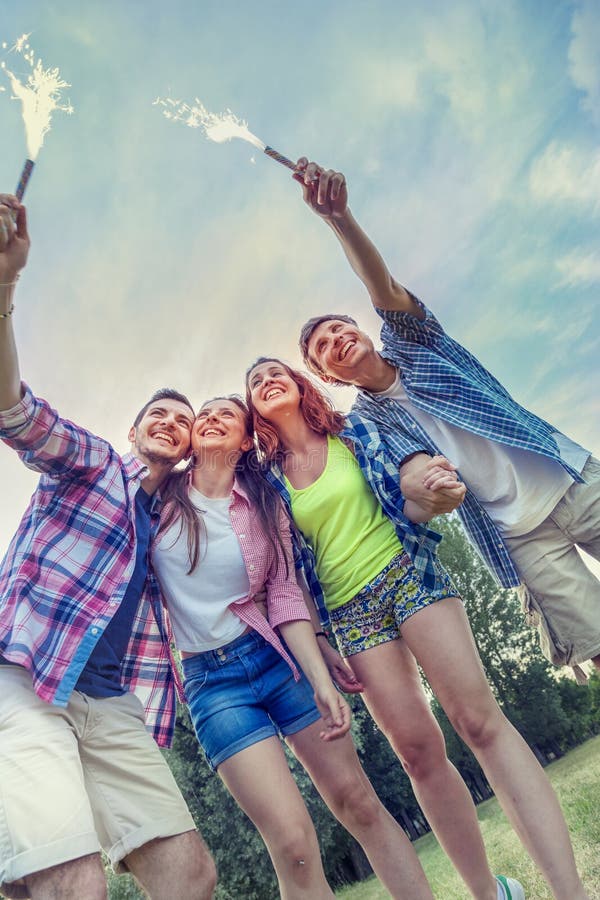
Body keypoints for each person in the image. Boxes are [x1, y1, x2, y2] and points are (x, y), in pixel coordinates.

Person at [246, 355, 591, 900]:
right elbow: (286, 573)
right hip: (350, 613)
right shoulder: (266, 484)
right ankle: (491, 894)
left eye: (275, 374)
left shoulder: (353, 429)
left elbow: (408, 480)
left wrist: (430, 484)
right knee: (417, 753)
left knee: (478, 723)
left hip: (408, 574)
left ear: (297, 384)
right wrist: (315, 636)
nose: (267, 382)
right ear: (254, 408)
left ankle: (569, 891)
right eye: (255, 383)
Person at [293, 158, 600, 682]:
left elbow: (382, 287)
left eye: (339, 329)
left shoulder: (416, 343)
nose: (336, 340)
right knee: (594, 642)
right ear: (330, 376)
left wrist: (339, 219)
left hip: (568, 480)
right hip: (517, 534)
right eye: (324, 349)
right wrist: (425, 491)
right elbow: (404, 480)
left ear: (362, 330)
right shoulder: (366, 423)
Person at [0, 194, 216, 900]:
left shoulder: (170, 522)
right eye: (158, 413)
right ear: (134, 431)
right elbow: (13, 411)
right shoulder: (92, 463)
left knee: (191, 876)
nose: (171, 423)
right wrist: (4, 286)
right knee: (72, 883)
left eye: (183, 421)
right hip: (26, 673)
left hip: (111, 699)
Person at [152, 394, 435, 900]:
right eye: (206, 413)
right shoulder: (159, 498)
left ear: (244, 442)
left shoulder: (263, 503)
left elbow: (284, 595)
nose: (213, 418)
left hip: (276, 659)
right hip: (213, 686)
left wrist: (321, 681)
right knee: (293, 842)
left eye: (227, 415)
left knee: (358, 801)